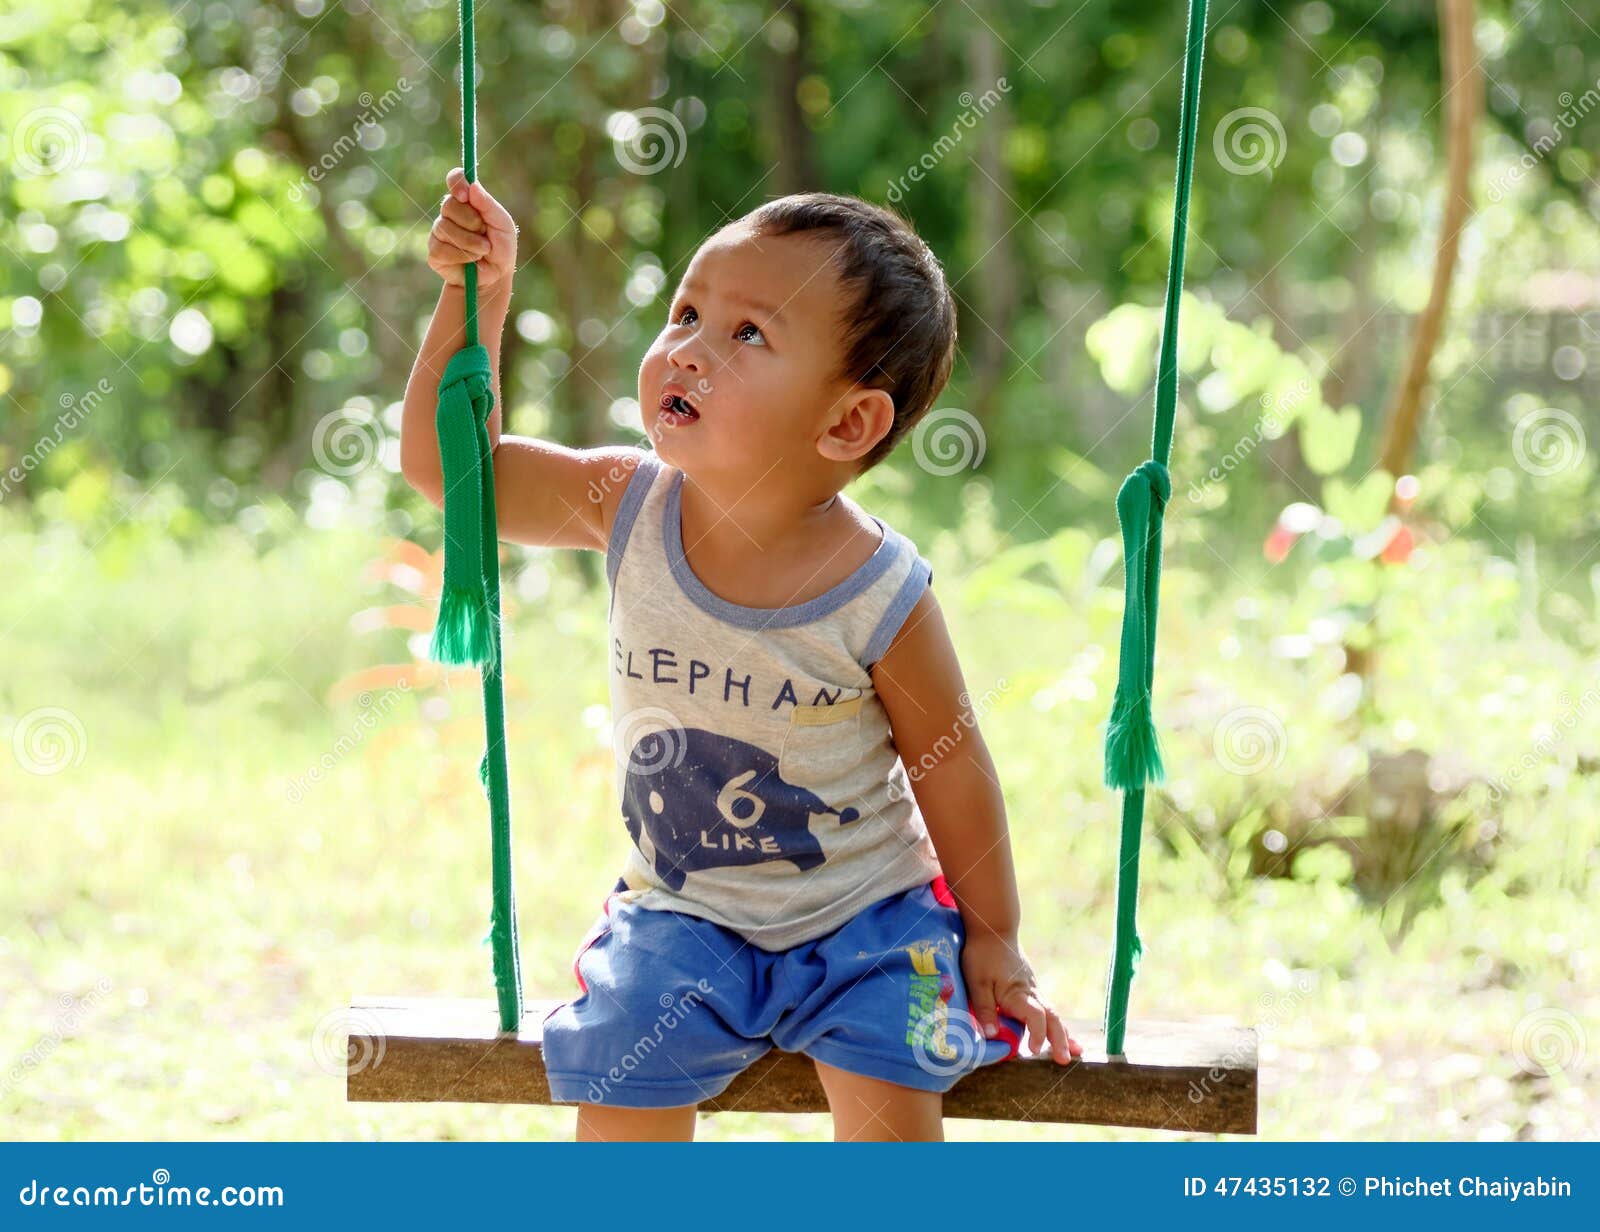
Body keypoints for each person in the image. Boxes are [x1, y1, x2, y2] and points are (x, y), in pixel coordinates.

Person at [400, 169, 1082, 1142]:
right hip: (681, 915)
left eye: (747, 333)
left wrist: (995, 936)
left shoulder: (880, 591)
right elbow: (451, 473)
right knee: (623, 1066)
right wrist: (480, 294)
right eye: (685, 313)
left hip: (867, 919)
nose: (687, 348)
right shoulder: (625, 504)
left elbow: (953, 767)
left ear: (846, 422)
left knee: (893, 1093)